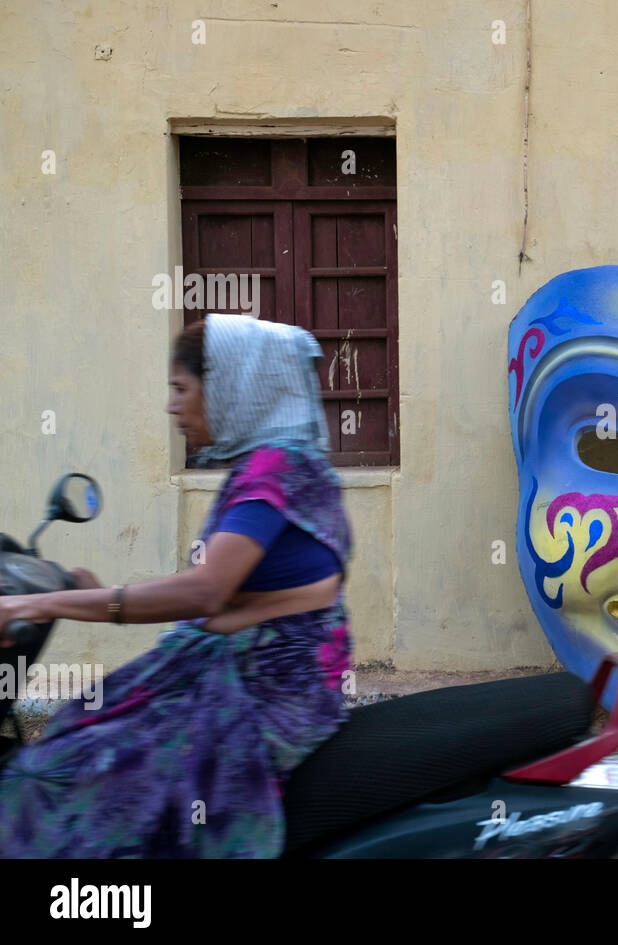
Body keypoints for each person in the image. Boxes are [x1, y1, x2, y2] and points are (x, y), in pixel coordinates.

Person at [0, 314, 354, 856]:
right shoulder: (286, 465)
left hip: (265, 693)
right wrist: (89, 591)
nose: (171, 405)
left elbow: (203, 593)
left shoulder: (272, 472)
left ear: (230, 387)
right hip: (263, 676)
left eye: (181, 388)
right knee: (76, 730)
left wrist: (45, 601)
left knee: (49, 776)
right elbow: (224, 590)